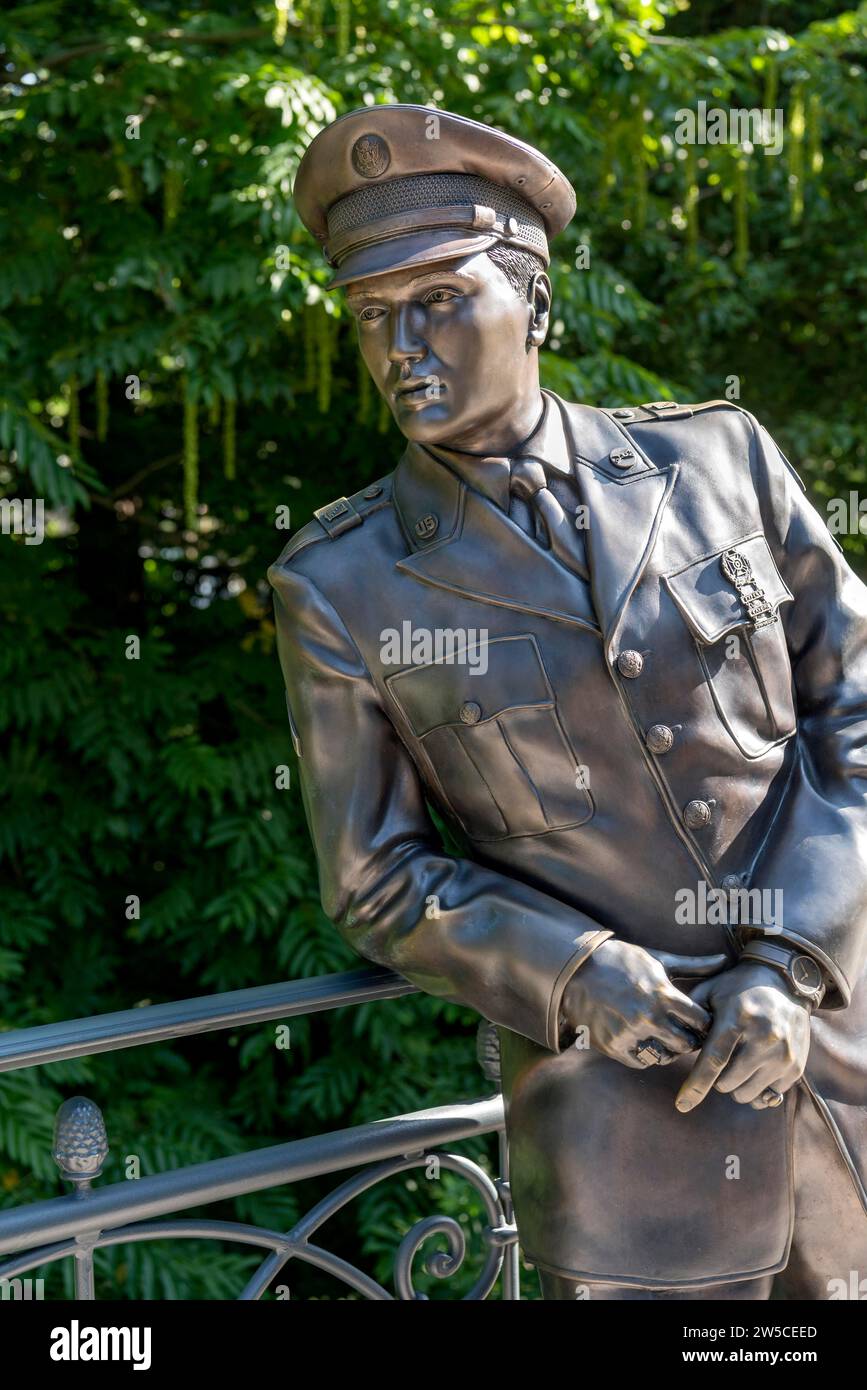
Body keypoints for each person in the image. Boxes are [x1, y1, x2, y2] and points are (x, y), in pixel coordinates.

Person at [267, 104, 867, 1298]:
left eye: (439, 296)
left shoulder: (721, 461)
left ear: (535, 301)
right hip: (628, 1144)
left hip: (841, 1062)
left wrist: (787, 959)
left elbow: (856, 711)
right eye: (374, 315)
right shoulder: (340, 584)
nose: (402, 344)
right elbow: (377, 874)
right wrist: (574, 969)